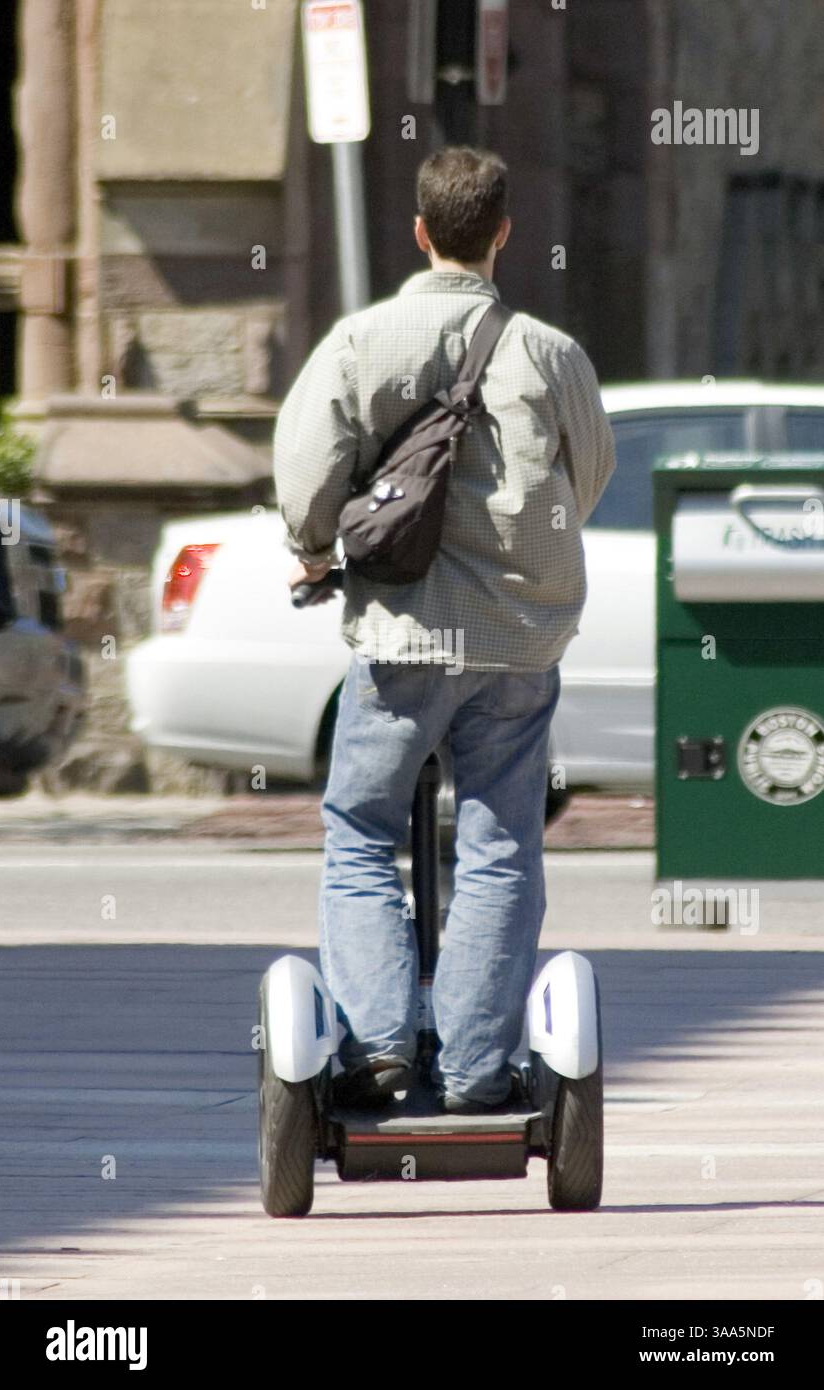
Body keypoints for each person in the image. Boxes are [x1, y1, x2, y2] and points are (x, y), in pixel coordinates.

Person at [272, 146, 615, 1114]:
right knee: (504, 843)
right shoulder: (549, 352)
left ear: (419, 231)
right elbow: (585, 481)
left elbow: (306, 477)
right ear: (504, 231)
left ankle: (380, 1047)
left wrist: (312, 544)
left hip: (400, 634)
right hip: (518, 637)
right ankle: (473, 1069)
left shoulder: (357, 341)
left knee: (360, 830)